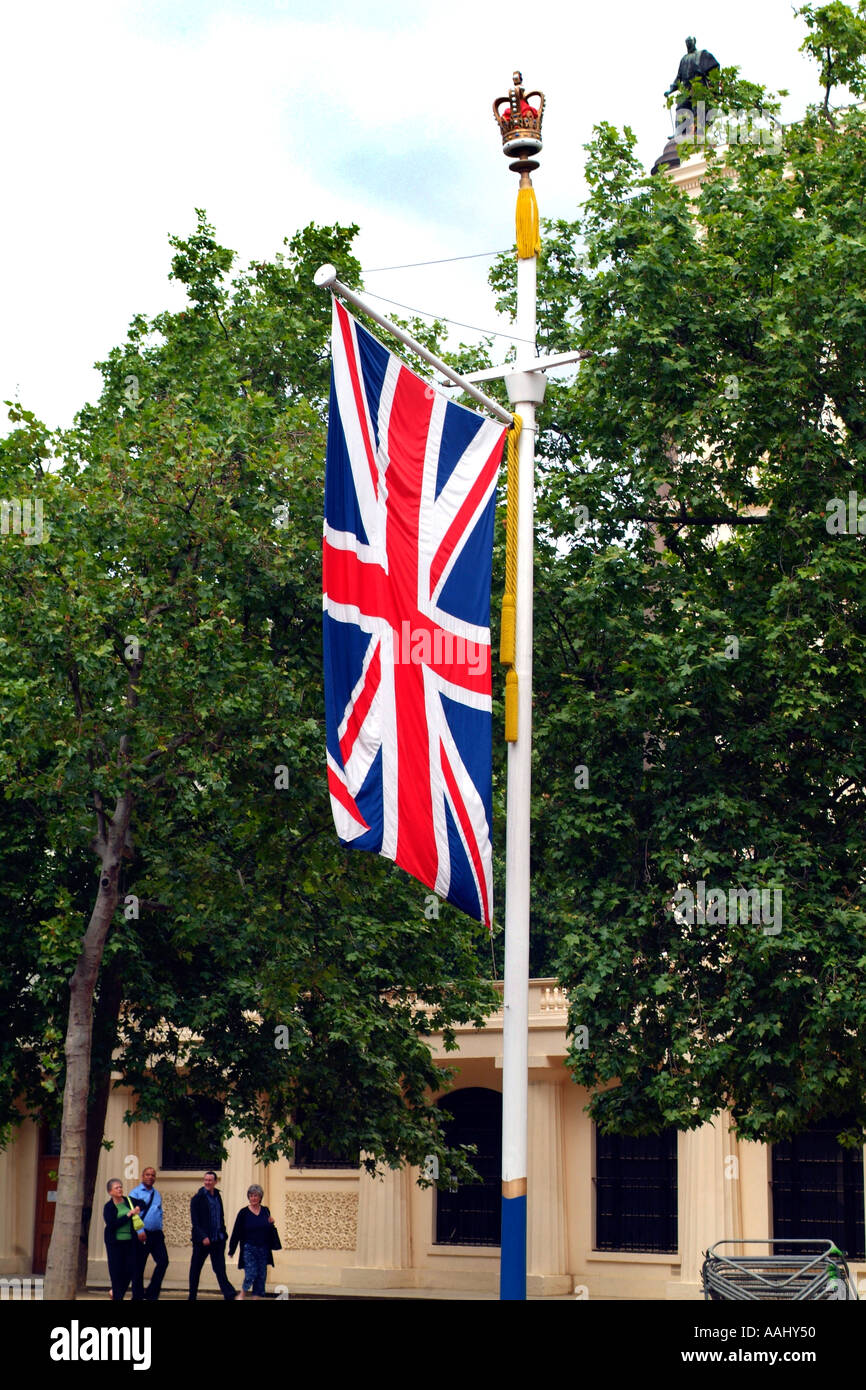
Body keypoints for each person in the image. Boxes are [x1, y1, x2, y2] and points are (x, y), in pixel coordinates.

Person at [188, 1169, 236, 1300]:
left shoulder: (218, 1196)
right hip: (202, 1241)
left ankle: (229, 1295)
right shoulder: (197, 1199)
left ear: (215, 1181)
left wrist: (223, 1234)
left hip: (217, 1240)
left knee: (220, 1269)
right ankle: (192, 1296)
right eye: (206, 1180)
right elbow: (195, 1221)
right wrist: (203, 1236)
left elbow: (220, 1216)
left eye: (210, 1180)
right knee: (195, 1269)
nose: (207, 1182)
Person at [228, 1184, 282, 1300]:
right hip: (249, 1248)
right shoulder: (243, 1213)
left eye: (256, 1195)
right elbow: (236, 1232)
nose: (253, 1198)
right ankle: (242, 1294)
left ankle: (255, 1298)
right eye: (251, 1195)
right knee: (251, 1273)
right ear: (248, 1197)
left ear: (260, 1197)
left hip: (263, 1248)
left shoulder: (265, 1210)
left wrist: (272, 1223)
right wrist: (232, 1249)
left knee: (261, 1276)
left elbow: (268, 1228)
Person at [128, 1165, 169, 1301]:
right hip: (142, 1234)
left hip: (156, 1234)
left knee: (163, 1261)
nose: (150, 1177)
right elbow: (133, 1215)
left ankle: (151, 1293)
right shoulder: (135, 1193)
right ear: (142, 1176)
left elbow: (158, 1212)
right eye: (147, 1175)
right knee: (139, 1267)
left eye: (152, 1175)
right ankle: (137, 1296)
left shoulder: (156, 1194)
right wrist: (139, 1230)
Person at [103, 1178, 144, 1301]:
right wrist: (128, 1215)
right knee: (116, 1272)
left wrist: (137, 1209)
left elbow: (143, 1203)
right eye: (116, 1188)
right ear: (110, 1192)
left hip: (130, 1242)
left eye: (120, 1187)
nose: (120, 1189)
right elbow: (112, 1224)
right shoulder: (109, 1207)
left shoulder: (128, 1201)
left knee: (131, 1270)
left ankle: (116, 1292)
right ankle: (117, 1295)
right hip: (115, 1244)